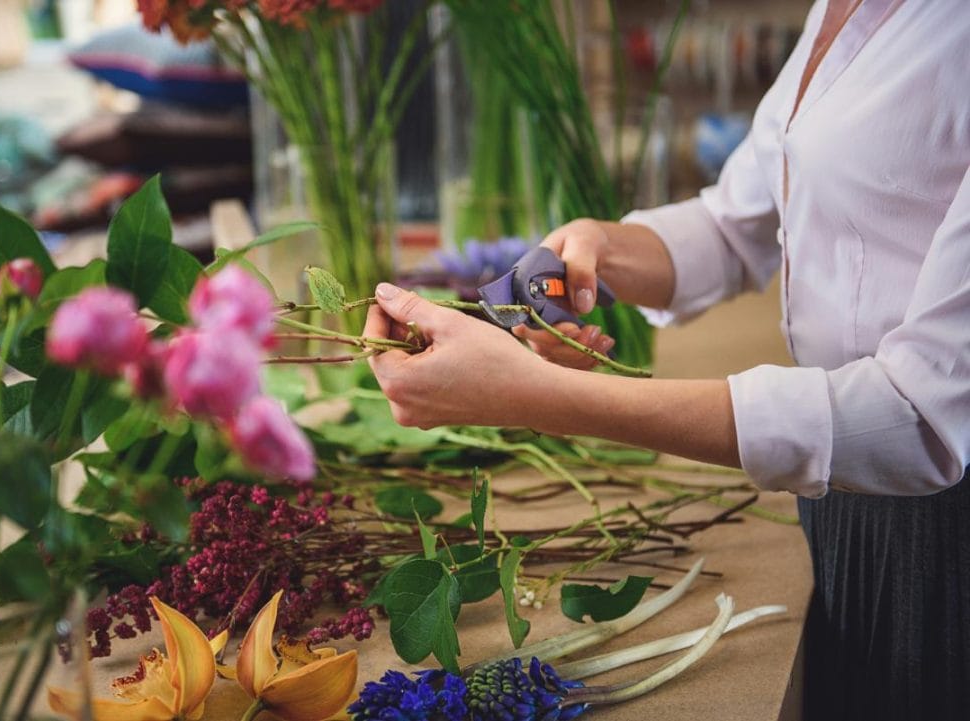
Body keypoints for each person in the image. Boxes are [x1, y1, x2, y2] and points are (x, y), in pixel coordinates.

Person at [363, 1, 970, 719]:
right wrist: (597, 251)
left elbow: (919, 418)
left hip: (941, 535)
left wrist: (534, 395)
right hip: (838, 498)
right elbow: (736, 222)